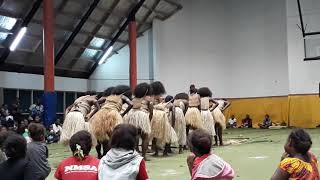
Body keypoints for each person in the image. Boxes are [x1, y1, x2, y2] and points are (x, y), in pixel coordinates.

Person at [124, 83, 153, 159]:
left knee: (134, 135)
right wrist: (148, 120)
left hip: (132, 115)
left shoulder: (132, 99)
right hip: (142, 116)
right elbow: (151, 112)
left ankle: (135, 154)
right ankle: (143, 156)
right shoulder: (147, 100)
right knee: (145, 137)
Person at [150, 81, 177, 156]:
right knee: (167, 133)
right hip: (161, 116)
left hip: (155, 116)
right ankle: (164, 151)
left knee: (155, 134)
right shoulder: (159, 97)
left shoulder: (151, 97)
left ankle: (156, 152)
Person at [94, 87, 115, 159]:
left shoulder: (102, 98)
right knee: (106, 139)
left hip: (98, 118)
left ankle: (100, 154)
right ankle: (105, 154)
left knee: (99, 139)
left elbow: (96, 104)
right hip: (106, 118)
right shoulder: (109, 98)